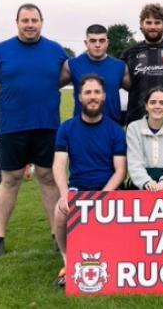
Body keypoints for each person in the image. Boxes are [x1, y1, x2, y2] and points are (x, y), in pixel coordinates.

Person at [0, 4, 67, 257]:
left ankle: (56, 233)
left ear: (42, 22)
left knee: (49, 178)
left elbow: (71, 76)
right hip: (13, 127)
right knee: (11, 179)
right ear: (16, 22)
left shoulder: (56, 50)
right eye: (25, 20)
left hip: (48, 126)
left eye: (34, 20)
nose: (30, 24)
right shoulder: (2, 50)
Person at [52, 76, 126, 287]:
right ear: (79, 97)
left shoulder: (115, 130)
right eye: (88, 92)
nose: (92, 97)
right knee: (60, 210)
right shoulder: (66, 129)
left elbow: (120, 170)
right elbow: (58, 166)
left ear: (103, 96)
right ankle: (68, 260)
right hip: (78, 188)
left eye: (96, 92)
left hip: (108, 189)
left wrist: (104, 194)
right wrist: (65, 194)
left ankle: (119, 258)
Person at [121, 3, 163, 124]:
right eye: (148, 22)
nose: (153, 26)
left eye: (157, 22)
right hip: (136, 119)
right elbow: (125, 83)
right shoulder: (129, 54)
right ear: (141, 25)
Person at [64, 24, 127, 124]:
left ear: (107, 42)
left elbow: (137, 91)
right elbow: (51, 85)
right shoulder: (72, 64)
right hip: (81, 128)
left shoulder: (120, 66)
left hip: (112, 128)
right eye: (93, 41)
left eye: (102, 40)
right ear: (86, 43)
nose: (97, 45)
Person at [125, 87, 163, 191]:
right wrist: (147, 182)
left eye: (162, 103)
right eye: (152, 102)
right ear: (146, 106)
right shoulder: (133, 128)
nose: (157, 106)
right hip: (141, 185)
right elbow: (134, 162)